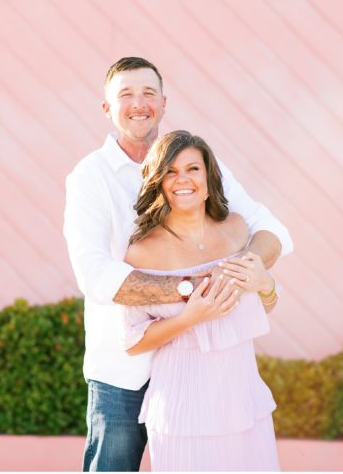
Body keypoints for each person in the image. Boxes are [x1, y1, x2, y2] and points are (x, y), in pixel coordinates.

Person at [63, 57, 292, 472]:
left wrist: (247, 275)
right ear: (106, 108)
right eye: (126, 94)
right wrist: (192, 292)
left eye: (149, 93)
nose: (138, 104)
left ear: (164, 103)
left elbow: (268, 228)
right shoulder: (88, 177)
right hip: (125, 365)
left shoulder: (195, 163)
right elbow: (95, 275)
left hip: (204, 368)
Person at [122, 130, 280, 471]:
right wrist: (189, 317)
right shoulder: (142, 252)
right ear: (159, 182)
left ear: (209, 181)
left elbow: (263, 305)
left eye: (193, 169)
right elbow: (133, 341)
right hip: (183, 409)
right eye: (171, 171)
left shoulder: (238, 231)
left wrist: (265, 284)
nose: (183, 180)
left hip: (244, 400)